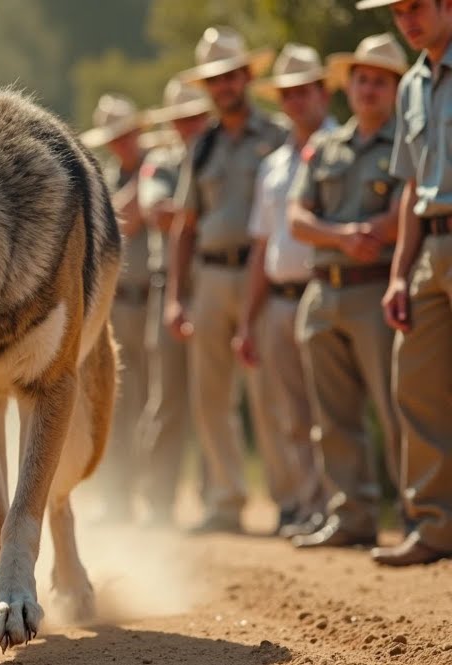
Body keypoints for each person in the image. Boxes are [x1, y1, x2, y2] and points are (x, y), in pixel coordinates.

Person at [283, 33, 408, 550]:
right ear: (348, 87)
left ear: (397, 89)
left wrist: (371, 233)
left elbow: (409, 209)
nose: (368, 89)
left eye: (379, 81)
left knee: (398, 409)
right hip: (323, 293)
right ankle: (351, 515)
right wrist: (345, 236)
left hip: (377, 289)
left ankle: (418, 517)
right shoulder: (326, 147)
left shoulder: (406, 141)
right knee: (331, 418)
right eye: (361, 79)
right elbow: (295, 216)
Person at [165, 27, 287, 534]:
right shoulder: (203, 146)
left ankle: (291, 503)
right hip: (211, 276)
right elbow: (184, 225)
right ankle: (225, 500)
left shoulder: (278, 136)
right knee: (210, 395)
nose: (223, 86)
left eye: (230, 76)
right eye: (214, 80)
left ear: (246, 78)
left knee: (272, 392)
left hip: (266, 277)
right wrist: (175, 298)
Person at [236, 44, 337, 537]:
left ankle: (341, 504)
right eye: (288, 94)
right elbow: (261, 247)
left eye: (304, 91)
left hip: (329, 292)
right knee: (292, 415)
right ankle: (307, 504)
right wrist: (247, 321)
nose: (296, 101)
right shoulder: (273, 164)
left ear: (323, 92)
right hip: (277, 301)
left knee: (332, 410)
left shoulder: (345, 146)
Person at [366, 0, 452, 565]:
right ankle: (434, 527)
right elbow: (411, 186)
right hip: (430, 247)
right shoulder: (412, 85)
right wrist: (399, 275)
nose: (407, 20)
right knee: (415, 385)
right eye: (397, 12)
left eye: (416, 7)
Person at [136, 76, 214, 526]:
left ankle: (213, 499)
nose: (190, 125)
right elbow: (157, 209)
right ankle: (160, 501)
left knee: (211, 400)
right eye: (183, 119)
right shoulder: (161, 161)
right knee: (165, 402)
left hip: (212, 281)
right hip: (168, 286)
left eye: (196, 117)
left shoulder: (213, 154)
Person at [80, 94, 152, 524]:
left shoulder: (151, 171)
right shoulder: (109, 177)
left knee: (151, 405)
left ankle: (148, 496)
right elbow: (124, 217)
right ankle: (116, 496)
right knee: (113, 404)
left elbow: (126, 218)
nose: (121, 144)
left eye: (126, 135)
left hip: (149, 297)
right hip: (114, 303)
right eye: (115, 138)